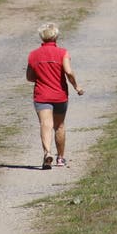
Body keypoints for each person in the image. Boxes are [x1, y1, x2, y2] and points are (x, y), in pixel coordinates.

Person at [26, 22, 84, 169]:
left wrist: (42, 75)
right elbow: (69, 72)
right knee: (59, 126)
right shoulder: (63, 53)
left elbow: (29, 77)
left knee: (45, 124)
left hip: (41, 95)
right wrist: (76, 86)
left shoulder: (33, 55)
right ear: (56, 36)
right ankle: (60, 158)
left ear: (42, 37)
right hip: (59, 94)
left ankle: (47, 153)